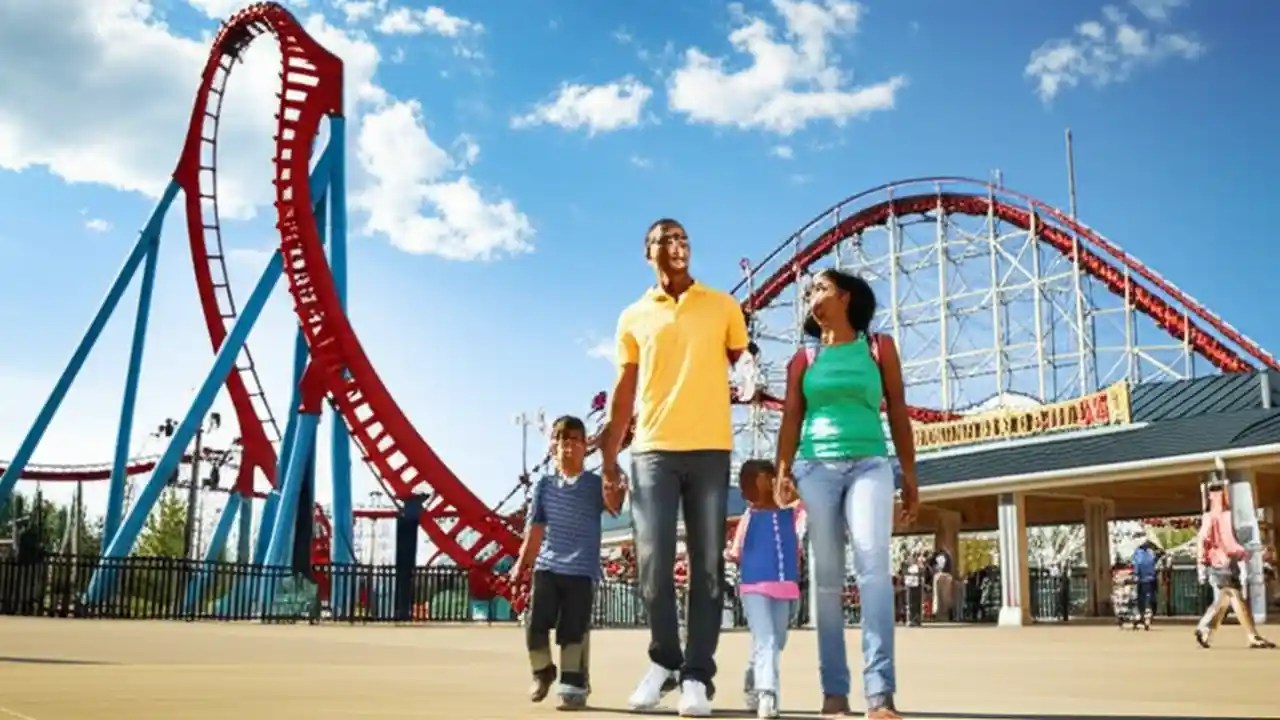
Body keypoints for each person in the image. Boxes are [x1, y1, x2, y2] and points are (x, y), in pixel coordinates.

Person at [599, 217, 750, 716]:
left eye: (684, 238)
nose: (678, 245)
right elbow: (624, 391)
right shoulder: (633, 316)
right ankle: (664, 660)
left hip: (710, 448)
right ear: (649, 253)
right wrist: (608, 459)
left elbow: (741, 357)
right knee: (652, 565)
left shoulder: (723, 306)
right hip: (652, 451)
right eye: (667, 239)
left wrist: (748, 367)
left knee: (707, 569)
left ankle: (696, 677)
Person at [774, 268, 919, 719]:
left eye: (820, 288)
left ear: (846, 296)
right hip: (815, 467)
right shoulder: (804, 359)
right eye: (808, 292)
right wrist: (782, 470)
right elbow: (792, 419)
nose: (812, 297)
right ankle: (833, 692)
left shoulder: (880, 348)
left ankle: (880, 694)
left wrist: (910, 475)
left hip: (871, 464)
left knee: (873, 565)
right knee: (827, 577)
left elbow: (896, 409)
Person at [509, 415, 623, 710]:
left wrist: (611, 462)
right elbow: (535, 529)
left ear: (586, 447)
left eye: (574, 440)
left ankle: (573, 685)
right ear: (552, 447)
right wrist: (521, 565)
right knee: (535, 624)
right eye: (560, 440)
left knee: (573, 629)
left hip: (582, 569)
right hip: (548, 566)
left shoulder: (595, 484)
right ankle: (542, 671)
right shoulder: (544, 486)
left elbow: (615, 505)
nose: (567, 447)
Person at [725, 460, 805, 719]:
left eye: (770, 480)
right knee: (767, 640)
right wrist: (728, 553)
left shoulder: (792, 513)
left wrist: (793, 486)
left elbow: (808, 503)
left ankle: (753, 674)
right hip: (754, 585)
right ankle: (767, 695)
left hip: (785, 584)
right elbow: (736, 550)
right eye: (759, 482)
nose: (766, 487)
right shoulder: (749, 517)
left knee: (776, 640)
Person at [1130, 542, 1158, 621]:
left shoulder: (1138, 553)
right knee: (1149, 596)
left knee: (1140, 597)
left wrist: (1135, 574)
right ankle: (1149, 611)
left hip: (1141, 579)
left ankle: (1141, 613)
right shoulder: (1151, 553)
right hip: (1151, 579)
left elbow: (1136, 565)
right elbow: (1154, 564)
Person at [928, 543, 955, 622]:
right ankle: (945, 614)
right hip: (948, 576)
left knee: (938, 596)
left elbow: (937, 567)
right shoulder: (949, 557)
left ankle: (939, 614)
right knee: (946, 597)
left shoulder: (939, 557)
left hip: (940, 575)